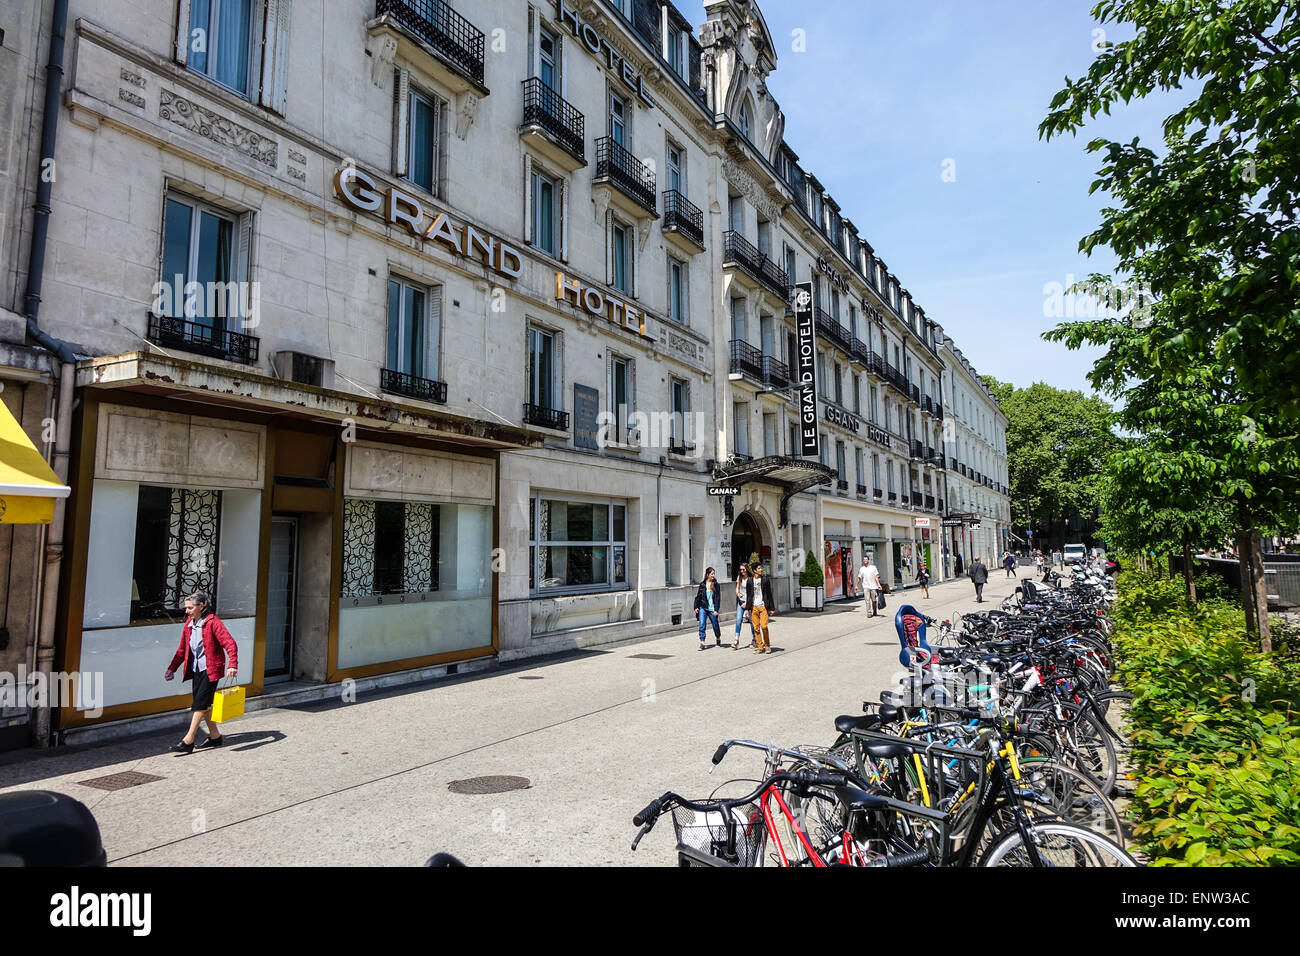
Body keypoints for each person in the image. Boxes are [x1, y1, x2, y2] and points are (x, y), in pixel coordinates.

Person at [164, 590, 238, 754]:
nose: (186, 611)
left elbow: (230, 643)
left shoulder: (213, 622)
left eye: (190, 608)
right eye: (186, 608)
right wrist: (172, 668)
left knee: (199, 704)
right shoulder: (189, 625)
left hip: (211, 670)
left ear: (202, 606)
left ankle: (188, 740)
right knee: (204, 705)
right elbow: (182, 650)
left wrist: (232, 664)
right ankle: (215, 736)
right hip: (196, 669)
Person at [744, 563, 776, 654]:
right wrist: (747, 609)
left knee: (764, 626)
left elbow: (769, 594)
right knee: (756, 628)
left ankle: (767, 645)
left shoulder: (765, 580)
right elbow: (748, 596)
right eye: (759, 568)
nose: (761, 569)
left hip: (763, 607)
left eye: (760, 568)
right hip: (754, 607)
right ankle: (760, 647)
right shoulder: (750, 581)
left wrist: (772, 608)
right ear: (754, 570)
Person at [694, 567, 722, 650]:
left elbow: (717, 598)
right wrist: (696, 606)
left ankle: (718, 637)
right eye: (712, 574)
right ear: (707, 574)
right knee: (702, 624)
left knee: (715, 625)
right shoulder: (702, 584)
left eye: (714, 574)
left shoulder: (716, 585)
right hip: (703, 607)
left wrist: (716, 610)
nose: (713, 575)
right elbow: (698, 596)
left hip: (712, 609)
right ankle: (702, 642)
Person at [732, 564, 751, 649]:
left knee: (752, 622)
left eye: (743, 569)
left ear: (747, 569)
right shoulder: (739, 577)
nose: (742, 571)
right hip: (741, 601)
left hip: (749, 602)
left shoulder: (751, 579)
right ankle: (736, 639)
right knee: (738, 620)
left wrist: (747, 604)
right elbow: (737, 587)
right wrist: (737, 593)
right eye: (741, 570)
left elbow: (752, 593)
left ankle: (754, 639)